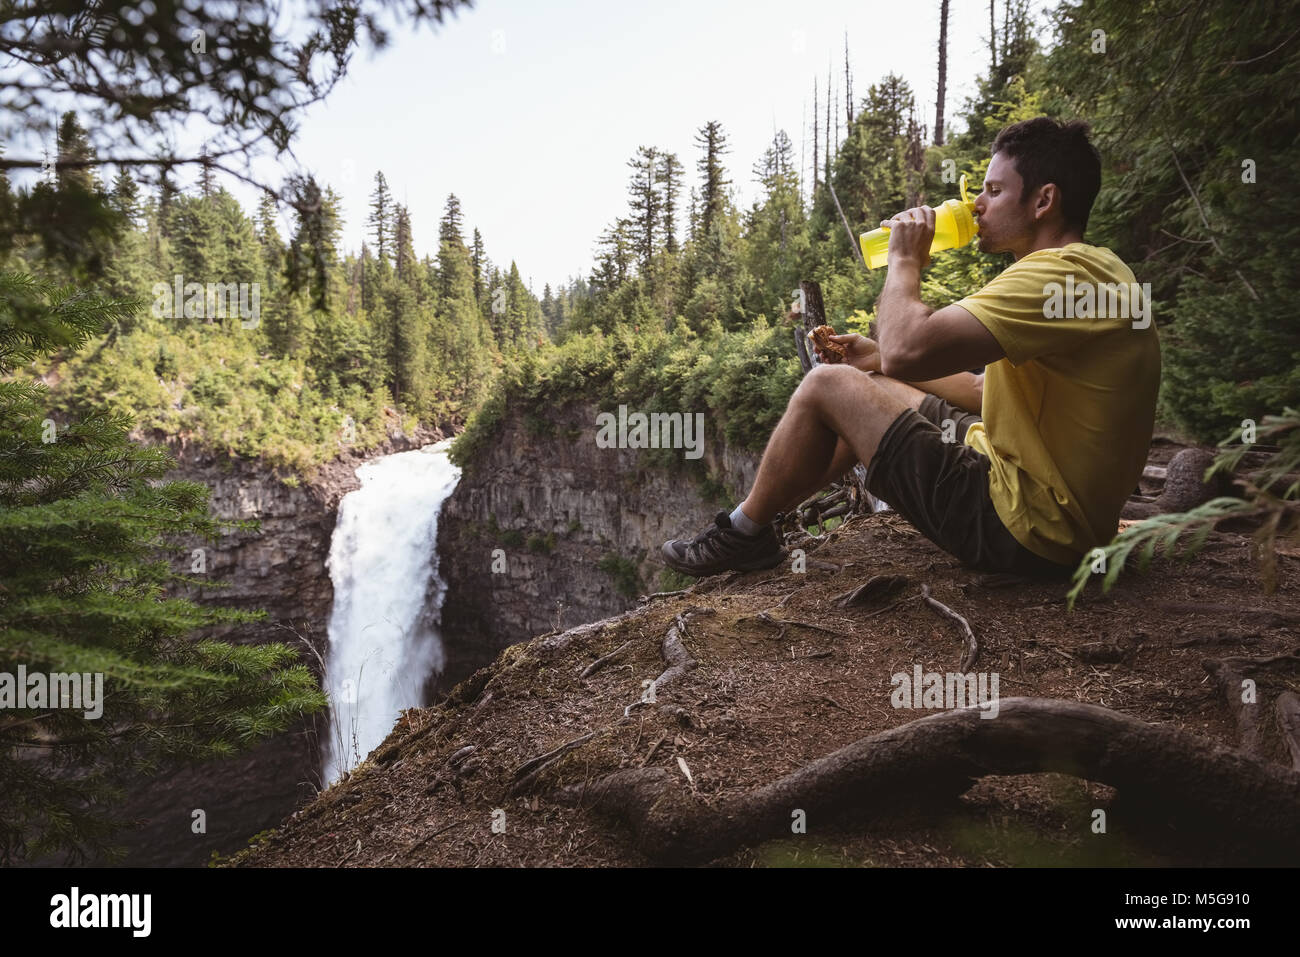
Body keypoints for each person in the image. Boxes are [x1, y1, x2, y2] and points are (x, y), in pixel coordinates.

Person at [661, 116, 1161, 581]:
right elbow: (980, 389)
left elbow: (907, 348)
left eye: (993, 190)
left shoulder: (1060, 275)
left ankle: (742, 534)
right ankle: (759, 523)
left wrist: (904, 260)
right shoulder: (1095, 271)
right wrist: (878, 360)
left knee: (827, 384)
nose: (977, 205)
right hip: (1052, 510)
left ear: (1043, 201)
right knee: (870, 384)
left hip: (1028, 532)